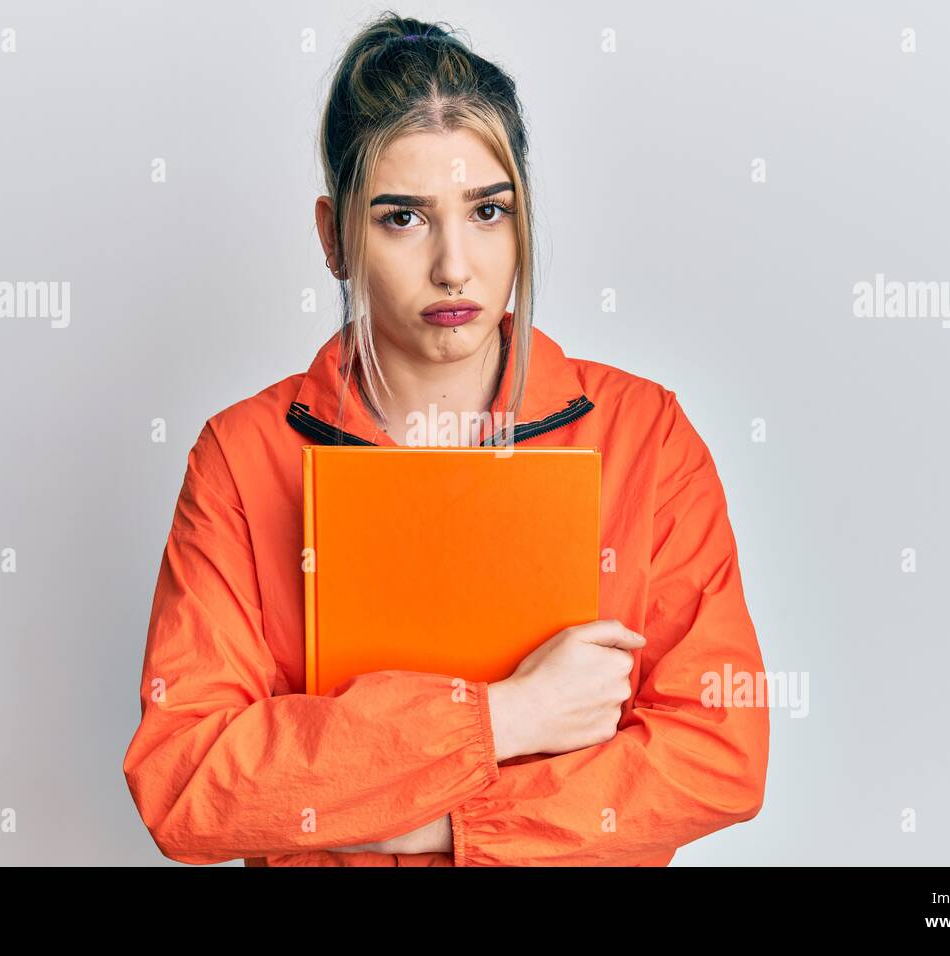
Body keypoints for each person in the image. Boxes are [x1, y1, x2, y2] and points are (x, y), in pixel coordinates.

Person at [122, 11, 769, 867]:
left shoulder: (646, 436)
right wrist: (506, 717)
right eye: (403, 218)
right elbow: (186, 780)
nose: (454, 265)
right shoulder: (243, 459)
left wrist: (443, 827)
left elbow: (718, 754)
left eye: (487, 210)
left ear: (523, 218)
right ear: (333, 238)